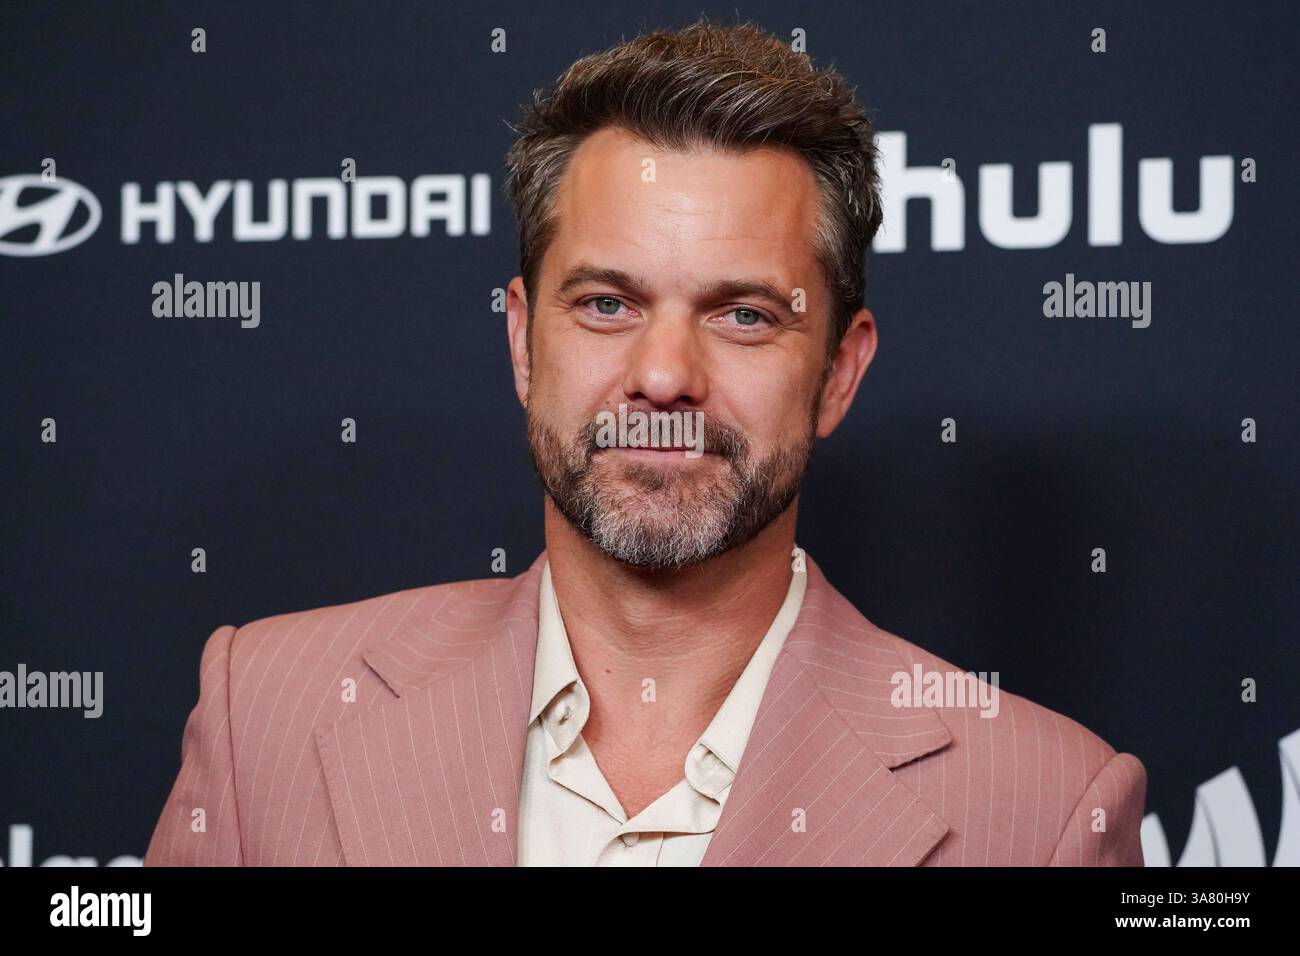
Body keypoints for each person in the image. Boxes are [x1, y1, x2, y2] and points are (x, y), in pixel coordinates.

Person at [144, 16, 1146, 867]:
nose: (663, 374)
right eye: (608, 302)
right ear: (521, 340)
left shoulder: (1041, 807)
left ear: (839, 369)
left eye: (745, 314)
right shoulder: (265, 708)